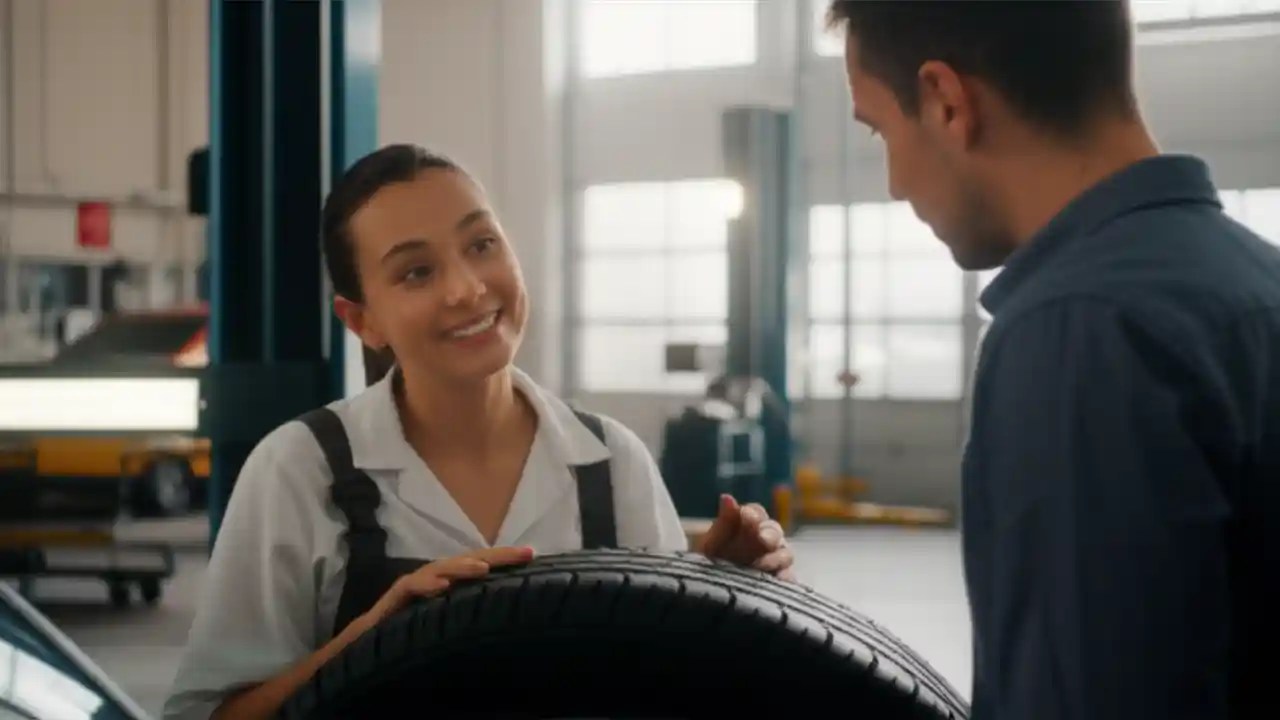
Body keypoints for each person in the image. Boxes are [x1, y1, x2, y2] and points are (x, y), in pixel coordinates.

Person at [162, 144, 795, 720]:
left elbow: (672, 689)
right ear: (362, 322)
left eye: (482, 244)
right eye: (416, 272)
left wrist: (722, 599)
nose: (467, 289)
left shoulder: (611, 463)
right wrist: (367, 645)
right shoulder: (302, 470)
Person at [827, 1, 1278, 718]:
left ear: (945, 101)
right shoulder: (1255, 282)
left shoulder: (1081, 329)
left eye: (880, 129)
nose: (895, 184)